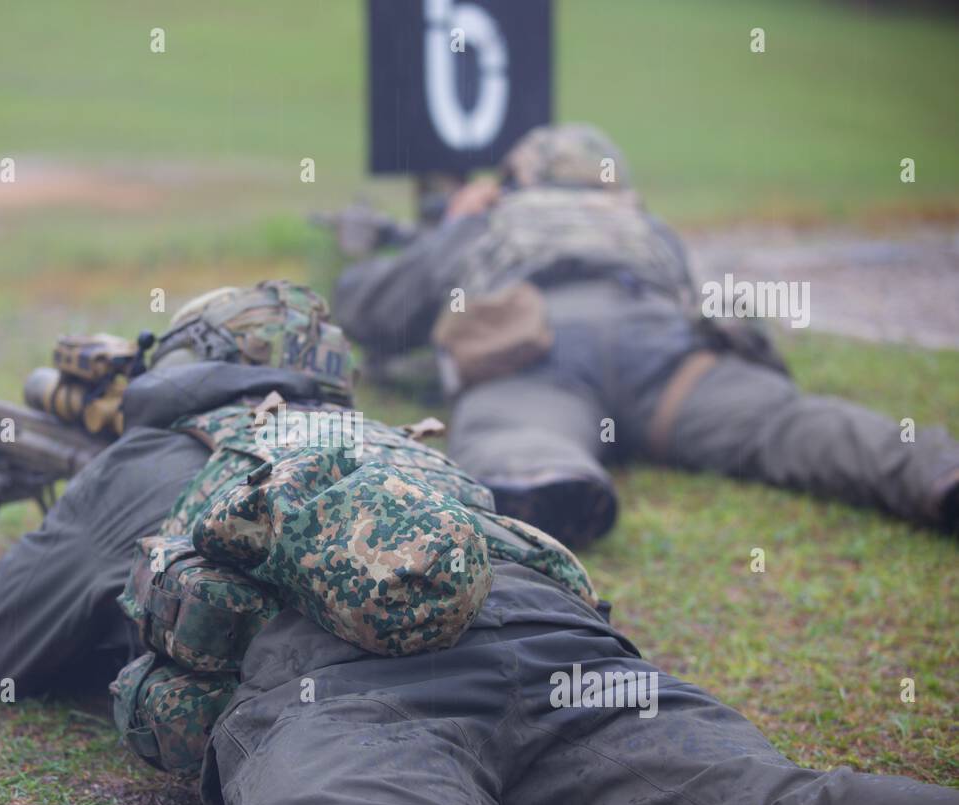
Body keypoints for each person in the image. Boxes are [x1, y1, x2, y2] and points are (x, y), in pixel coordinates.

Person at [0, 281, 959, 805]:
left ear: (179, 372)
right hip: (567, 652)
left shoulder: (162, 455)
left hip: (345, 688)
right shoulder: (395, 443)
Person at [332, 123, 959, 549]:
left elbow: (371, 309)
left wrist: (450, 230)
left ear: (518, 181)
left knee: (512, 430)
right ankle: (929, 472)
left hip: (537, 350)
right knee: (788, 426)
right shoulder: (647, 228)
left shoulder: (498, 219)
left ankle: (542, 482)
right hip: (666, 363)